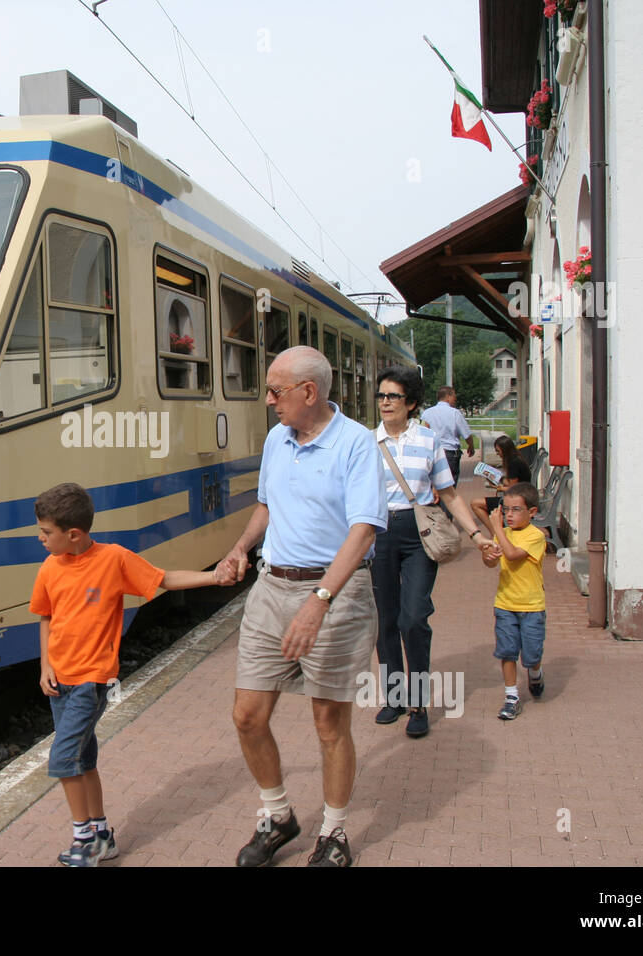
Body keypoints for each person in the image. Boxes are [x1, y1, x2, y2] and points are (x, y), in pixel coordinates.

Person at [215, 345, 384, 868]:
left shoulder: (356, 444)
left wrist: (320, 601)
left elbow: (364, 530)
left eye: (275, 391)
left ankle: (334, 832)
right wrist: (241, 547)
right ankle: (279, 815)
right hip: (273, 589)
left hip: (336, 593)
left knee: (329, 721)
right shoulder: (277, 439)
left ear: (308, 392)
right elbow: (266, 503)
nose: (269, 402)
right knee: (247, 715)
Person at [31, 481, 217, 867]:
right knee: (83, 760)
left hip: (90, 680)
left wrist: (215, 578)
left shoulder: (113, 559)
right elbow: (46, 615)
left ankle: (84, 841)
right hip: (59, 681)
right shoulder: (50, 567)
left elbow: (163, 579)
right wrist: (45, 665)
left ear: (74, 534)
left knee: (64, 760)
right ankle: (102, 834)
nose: (40, 538)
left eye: (46, 532)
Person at [372, 366, 493, 739]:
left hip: (419, 535)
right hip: (378, 535)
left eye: (393, 396)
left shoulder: (428, 441)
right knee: (386, 620)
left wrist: (477, 534)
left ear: (410, 403)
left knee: (413, 617)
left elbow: (451, 495)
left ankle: (419, 703)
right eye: (381, 396)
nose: (385, 402)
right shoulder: (365, 442)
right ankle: (393, 696)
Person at [479, 482, 547, 719]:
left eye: (516, 509)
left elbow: (513, 555)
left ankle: (535, 672)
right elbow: (492, 561)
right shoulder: (503, 534)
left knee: (531, 655)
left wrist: (496, 530)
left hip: (531, 607)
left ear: (532, 512)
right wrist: (489, 555)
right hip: (505, 604)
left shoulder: (536, 536)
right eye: (506, 509)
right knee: (507, 651)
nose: (509, 515)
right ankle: (511, 695)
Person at [472, 434, 532, 536]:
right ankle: (496, 532)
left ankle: (495, 533)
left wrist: (500, 488)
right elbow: (511, 482)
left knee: (475, 504)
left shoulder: (513, 463)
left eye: (498, 451)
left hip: (517, 499)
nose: (497, 454)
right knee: (478, 503)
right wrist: (493, 477)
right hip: (522, 495)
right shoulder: (516, 459)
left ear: (504, 450)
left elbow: (512, 488)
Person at [421, 385, 475, 483]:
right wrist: (471, 447)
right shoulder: (455, 413)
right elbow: (467, 434)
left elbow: (422, 433)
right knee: (449, 489)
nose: (455, 398)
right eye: (454, 396)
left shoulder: (426, 413)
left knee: (432, 485)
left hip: (431, 453)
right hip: (450, 455)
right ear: (448, 396)